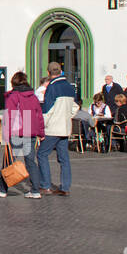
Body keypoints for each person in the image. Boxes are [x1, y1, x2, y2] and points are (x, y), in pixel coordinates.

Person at [0, 72, 44, 198]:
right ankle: (35, 190)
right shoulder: (33, 96)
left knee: (9, 161)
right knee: (30, 162)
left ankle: (2, 189)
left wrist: (5, 135)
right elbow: (39, 115)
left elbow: (10, 117)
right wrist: (41, 132)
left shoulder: (13, 96)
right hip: (30, 131)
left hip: (17, 132)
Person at [37, 63, 77, 195]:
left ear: (49, 73)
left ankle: (46, 185)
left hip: (53, 128)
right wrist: (66, 116)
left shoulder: (52, 87)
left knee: (42, 154)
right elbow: (75, 107)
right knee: (64, 158)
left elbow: (47, 110)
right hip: (65, 127)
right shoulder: (70, 87)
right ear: (61, 71)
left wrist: (41, 129)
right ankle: (65, 187)